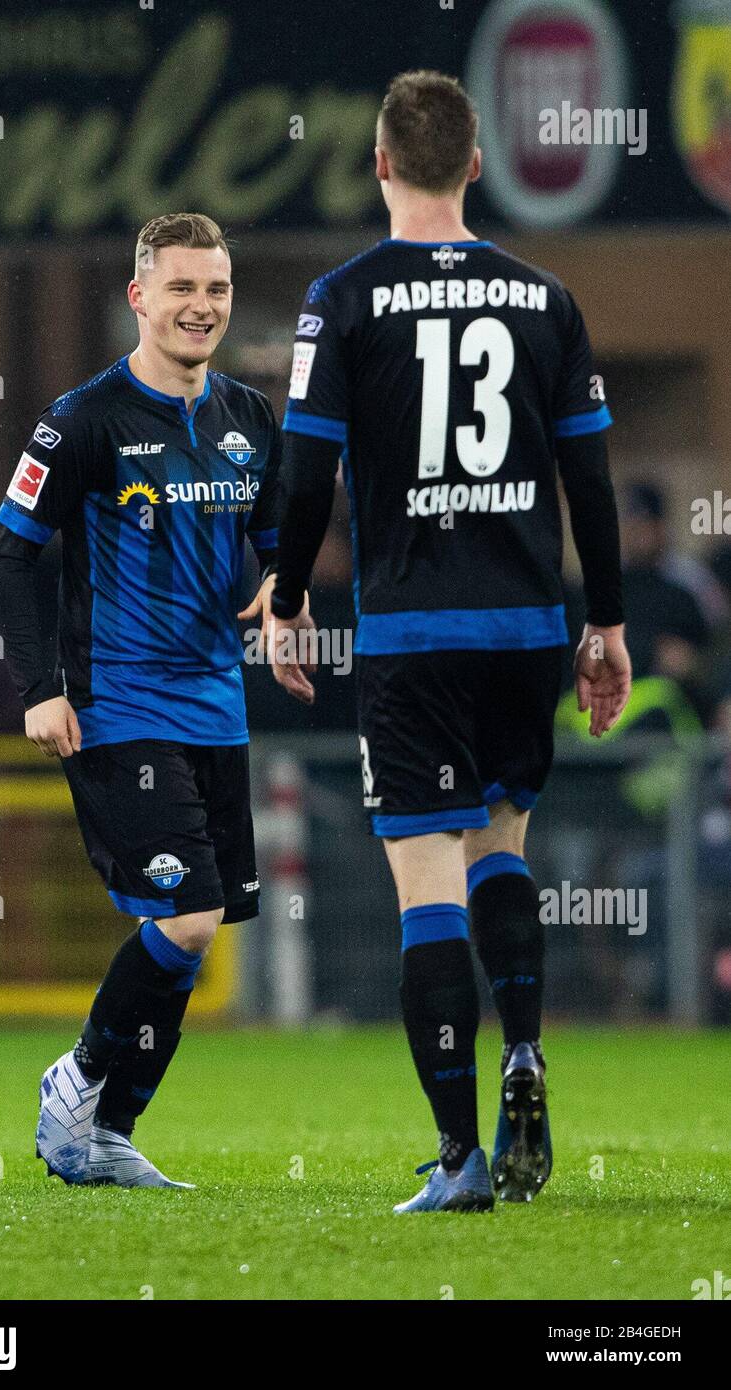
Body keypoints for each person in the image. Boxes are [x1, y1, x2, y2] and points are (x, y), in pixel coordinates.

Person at [267, 71, 632, 1212]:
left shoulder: (340, 299)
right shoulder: (546, 298)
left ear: (380, 163)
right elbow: (590, 477)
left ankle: (460, 1157)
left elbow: (306, 469)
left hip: (411, 633)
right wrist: (605, 621)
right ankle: (524, 1046)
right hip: (525, 626)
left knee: (423, 888)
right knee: (501, 849)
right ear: (474, 164)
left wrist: (283, 597)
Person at [0, 213, 282, 1188]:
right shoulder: (82, 419)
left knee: (195, 931)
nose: (201, 307)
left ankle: (106, 1129)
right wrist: (39, 687)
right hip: (118, 702)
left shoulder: (245, 416)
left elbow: (275, 527)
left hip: (216, 707)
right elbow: (10, 551)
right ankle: (74, 1077)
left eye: (217, 290)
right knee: (188, 916)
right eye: (183, 289)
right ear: (140, 297)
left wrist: (281, 588)